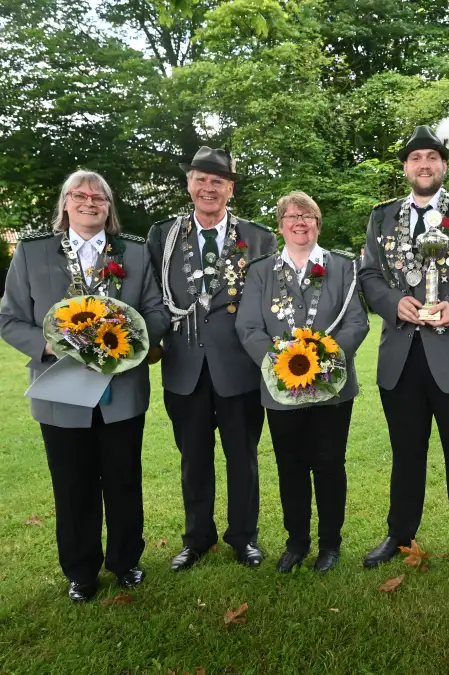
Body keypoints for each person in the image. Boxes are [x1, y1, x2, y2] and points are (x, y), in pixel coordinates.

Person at [0, 170, 169, 602]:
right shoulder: (33, 254)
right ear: (65, 203)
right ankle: (81, 572)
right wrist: (50, 347)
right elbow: (9, 318)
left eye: (98, 197)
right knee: (72, 485)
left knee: (123, 480)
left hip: (121, 393)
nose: (89, 202)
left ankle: (126, 561)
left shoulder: (132, 252)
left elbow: (156, 310)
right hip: (60, 394)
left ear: (109, 208)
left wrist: (131, 341)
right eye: (80, 195)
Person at [358, 124, 449, 582]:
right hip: (401, 353)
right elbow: (368, 277)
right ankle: (400, 534)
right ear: (405, 167)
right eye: (416, 158)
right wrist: (391, 303)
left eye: (432, 158)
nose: (424, 165)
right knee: (406, 454)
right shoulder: (381, 217)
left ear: (444, 165)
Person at [147, 147, 278, 572]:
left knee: (243, 458)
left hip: (239, 368)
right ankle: (197, 538)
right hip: (184, 368)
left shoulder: (258, 238)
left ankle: (244, 537)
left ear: (230, 189)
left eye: (217, 181)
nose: (208, 187)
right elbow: (151, 299)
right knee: (194, 460)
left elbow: (271, 301)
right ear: (189, 184)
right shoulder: (162, 236)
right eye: (201, 179)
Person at [236, 191, 368, 574]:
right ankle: (296, 542)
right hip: (282, 389)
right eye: (292, 216)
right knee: (289, 466)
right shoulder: (261, 271)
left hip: (333, 388)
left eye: (307, 215)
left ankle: (330, 545)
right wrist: (281, 366)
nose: (300, 222)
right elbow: (248, 326)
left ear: (317, 223)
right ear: (280, 226)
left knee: (329, 464)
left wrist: (326, 362)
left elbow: (356, 322)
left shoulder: (342, 267)